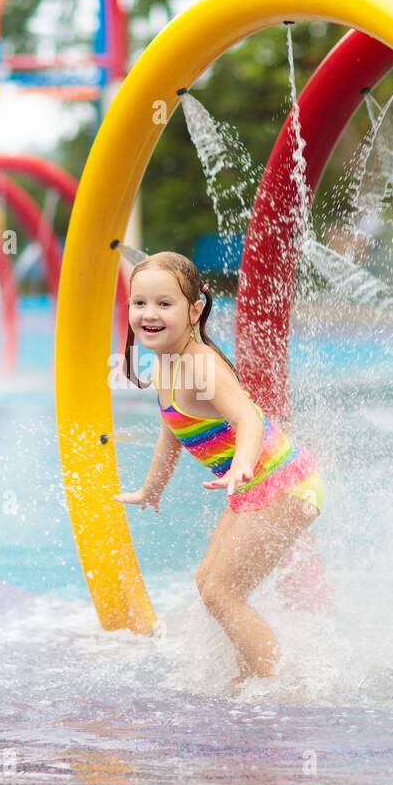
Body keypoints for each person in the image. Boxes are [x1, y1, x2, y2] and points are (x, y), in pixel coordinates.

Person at [113, 251, 327, 690]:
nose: (149, 314)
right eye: (140, 303)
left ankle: (288, 686)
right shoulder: (167, 364)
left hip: (283, 482)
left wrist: (243, 465)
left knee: (221, 592)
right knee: (208, 582)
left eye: (164, 304)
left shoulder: (201, 364)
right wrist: (151, 490)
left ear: (195, 310)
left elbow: (249, 418)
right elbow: (172, 431)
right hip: (254, 485)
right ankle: (247, 678)